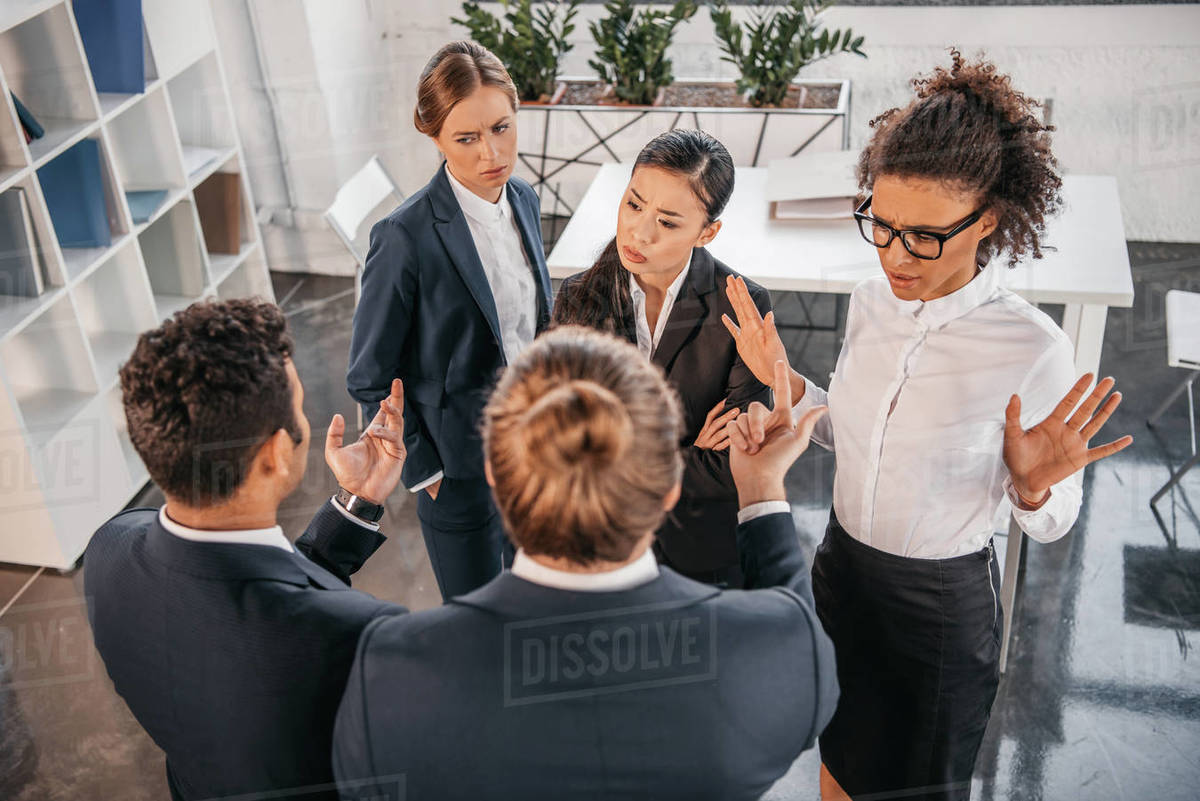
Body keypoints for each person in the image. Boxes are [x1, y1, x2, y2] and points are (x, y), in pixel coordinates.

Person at [721, 50, 1133, 801]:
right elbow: (851, 435)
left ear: (990, 220)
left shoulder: (1031, 346)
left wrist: (1033, 488)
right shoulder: (870, 301)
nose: (894, 255)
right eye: (880, 226)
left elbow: (1054, 521)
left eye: (923, 235)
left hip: (935, 613)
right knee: (837, 768)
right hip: (841, 576)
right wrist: (788, 384)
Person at [332, 327, 838, 801]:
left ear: (494, 476)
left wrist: (353, 506)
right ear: (670, 485)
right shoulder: (771, 652)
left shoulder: (392, 669)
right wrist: (761, 489)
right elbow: (793, 633)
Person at [85, 299, 411, 801]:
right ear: (276, 453)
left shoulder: (109, 550)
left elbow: (248, 597)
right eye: (300, 408)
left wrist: (357, 500)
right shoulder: (357, 637)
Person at [347, 41, 553, 601]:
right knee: (474, 615)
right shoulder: (404, 237)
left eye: (502, 127)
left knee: (534, 590)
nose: (492, 152)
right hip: (457, 467)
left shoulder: (524, 199)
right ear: (434, 137)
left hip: (533, 446)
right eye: (466, 138)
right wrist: (427, 470)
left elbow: (531, 324)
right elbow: (368, 375)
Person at [553, 129, 771, 588]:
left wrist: (619, 462)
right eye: (634, 204)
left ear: (707, 232)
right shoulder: (576, 299)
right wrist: (688, 455)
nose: (640, 232)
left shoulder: (742, 306)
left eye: (668, 223)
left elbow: (738, 460)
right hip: (602, 546)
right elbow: (566, 448)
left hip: (701, 552)